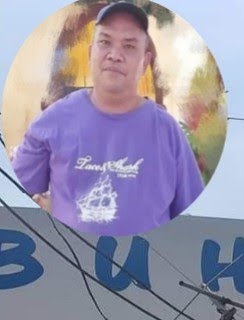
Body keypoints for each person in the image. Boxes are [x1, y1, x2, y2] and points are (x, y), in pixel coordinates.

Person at [10, 2, 205, 237]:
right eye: (105, 42)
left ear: (145, 61)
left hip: (145, 268)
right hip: (69, 266)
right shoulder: (52, 121)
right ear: (91, 51)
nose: (115, 55)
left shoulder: (167, 131)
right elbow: (13, 199)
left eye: (129, 46)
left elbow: (195, 219)